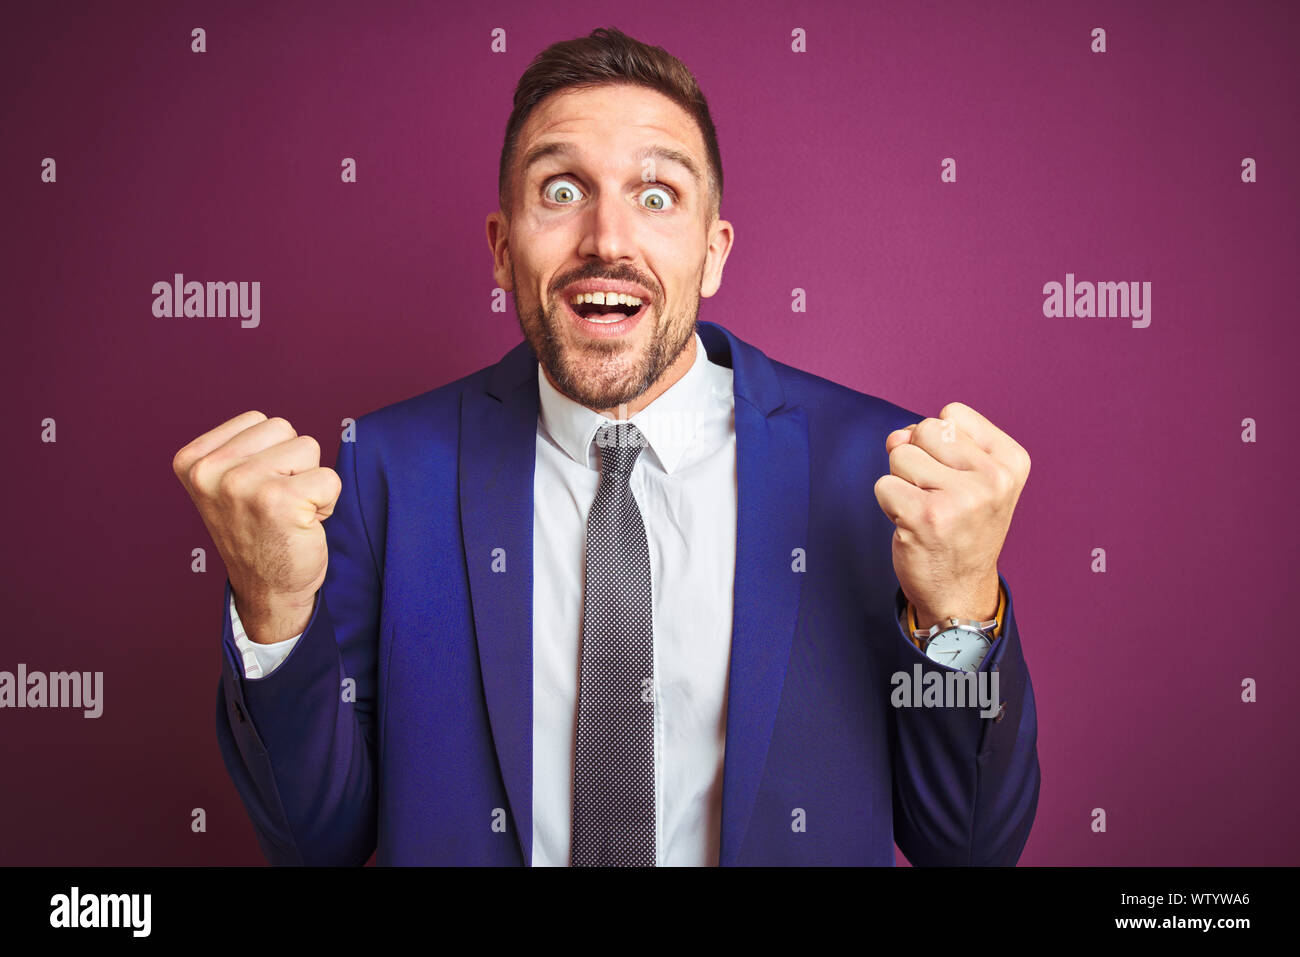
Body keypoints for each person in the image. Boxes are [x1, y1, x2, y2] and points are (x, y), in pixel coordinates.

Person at [171, 27, 1038, 866]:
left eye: (656, 195)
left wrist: (959, 614)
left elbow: (966, 845)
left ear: (713, 252)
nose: (608, 239)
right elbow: (315, 841)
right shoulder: (384, 472)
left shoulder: (875, 473)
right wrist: (275, 608)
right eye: (560, 190)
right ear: (503, 250)